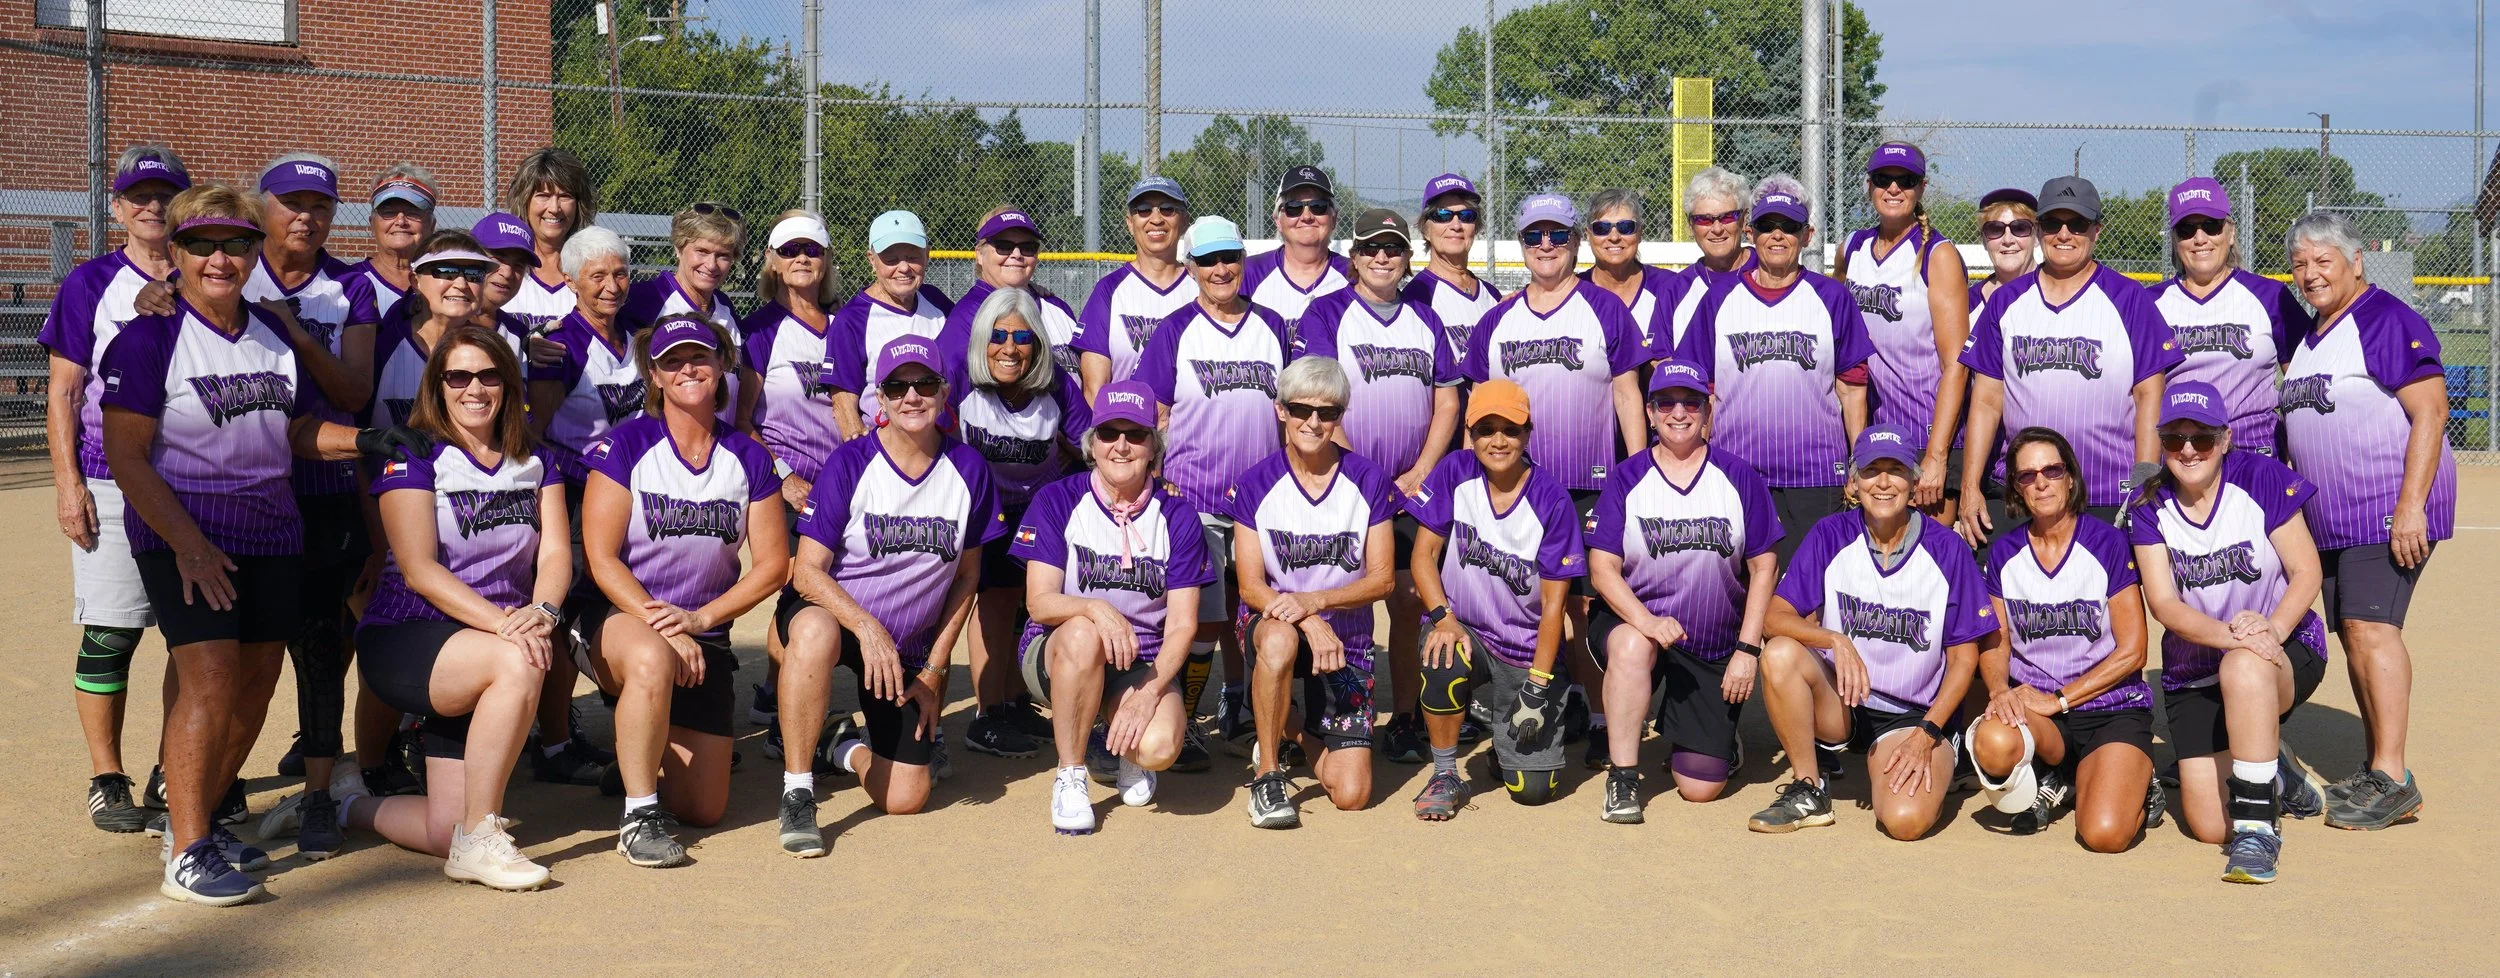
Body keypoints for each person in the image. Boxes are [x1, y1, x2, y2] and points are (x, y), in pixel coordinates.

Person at [99, 183, 406, 905]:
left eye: (235, 243)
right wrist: (189, 546)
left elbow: (294, 430)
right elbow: (128, 455)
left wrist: (364, 439)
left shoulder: (271, 333)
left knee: (257, 684)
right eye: (201, 243)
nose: (220, 257)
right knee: (208, 680)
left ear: (251, 251)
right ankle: (187, 849)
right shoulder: (149, 335)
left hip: (272, 530)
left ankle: (197, 822)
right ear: (175, 252)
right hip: (186, 532)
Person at [346, 326, 564, 890]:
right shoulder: (417, 453)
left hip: (488, 643)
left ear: (508, 384)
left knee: (443, 827)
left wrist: (543, 610)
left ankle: (346, 803)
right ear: (438, 385)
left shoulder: (536, 458)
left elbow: (558, 551)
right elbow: (419, 570)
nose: (475, 388)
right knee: (520, 661)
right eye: (459, 376)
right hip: (409, 635)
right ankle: (484, 837)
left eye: (489, 375)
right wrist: (506, 627)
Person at [575, 316, 789, 867]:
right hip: (618, 615)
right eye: (673, 361)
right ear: (655, 376)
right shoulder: (625, 446)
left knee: (705, 808)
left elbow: (772, 566)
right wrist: (665, 625)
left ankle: (638, 753)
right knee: (650, 658)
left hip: (701, 630)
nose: (688, 368)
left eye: (699, 357)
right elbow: (600, 559)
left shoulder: (748, 456)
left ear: (721, 367)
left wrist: (698, 621)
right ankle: (639, 814)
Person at [779, 337, 1001, 854]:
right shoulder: (851, 462)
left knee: (905, 797)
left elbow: (968, 578)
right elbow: (807, 573)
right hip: (838, 617)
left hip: (904, 648)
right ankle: (797, 791)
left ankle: (844, 747)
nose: (912, 396)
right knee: (812, 632)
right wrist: (866, 626)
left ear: (944, 393)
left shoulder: (968, 469)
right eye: (897, 386)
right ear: (880, 399)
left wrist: (934, 669)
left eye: (925, 384)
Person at [2277, 210, 2457, 831]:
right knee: (2355, 633)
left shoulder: (2383, 318)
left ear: (2357, 262)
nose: (2310, 274)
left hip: (2384, 508)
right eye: (2301, 263)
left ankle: (2395, 776)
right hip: (2336, 517)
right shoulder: (2315, 333)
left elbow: (2430, 412)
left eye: (2324, 261)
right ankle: (2380, 767)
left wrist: (2411, 507)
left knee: (2371, 629)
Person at [1746, 424, 1993, 840]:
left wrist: (1926, 734)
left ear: (1914, 483)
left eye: (1895, 470)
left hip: (1913, 715)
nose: (1882, 482)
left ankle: (1942, 761)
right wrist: (1834, 639)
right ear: (1852, 483)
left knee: (1904, 821)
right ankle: (1809, 788)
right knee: (1780, 653)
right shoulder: (1830, 534)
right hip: (1843, 702)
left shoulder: (1947, 549)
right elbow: (1773, 617)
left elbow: (1965, 659)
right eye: (1870, 470)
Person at [2126, 381, 2330, 883]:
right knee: (2209, 825)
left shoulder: (2261, 477)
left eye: (2202, 437)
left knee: (2244, 667)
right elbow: (2165, 605)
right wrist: (2232, 634)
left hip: (2282, 652)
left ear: (2226, 438)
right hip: (2196, 668)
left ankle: (2259, 833)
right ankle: (2272, 765)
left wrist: (2271, 630)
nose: (2188, 449)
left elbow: (2307, 572)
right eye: (2174, 439)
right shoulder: (2148, 505)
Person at [41, 144, 185, 833]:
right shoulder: (90, 283)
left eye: (165, 195)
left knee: (195, 638)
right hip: (110, 477)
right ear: (117, 207)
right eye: (140, 195)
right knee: (113, 633)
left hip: (194, 480)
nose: (153, 206)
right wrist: (69, 486)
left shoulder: (214, 276)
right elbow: (65, 392)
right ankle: (107, 776)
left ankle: (173, 766)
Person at [245, 153, 388, 822]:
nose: (306, 216)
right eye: (291, 202)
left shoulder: (348, 287)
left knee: (324, 645)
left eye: (321, 205)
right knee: (237, 646)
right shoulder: (230, 270)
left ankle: (317, 792)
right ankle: (205, 782)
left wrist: (296, 333)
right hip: (245, 490)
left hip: (325, 485)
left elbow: (355, 392)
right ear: (262, 207)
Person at [1295, 209, 1462, 766]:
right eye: (1371, 249)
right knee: (1342, 593)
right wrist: (1358, 470)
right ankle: (1321, 717)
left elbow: (1447, 400)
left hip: (1415, 485)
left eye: (1393, 248)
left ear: (1407, 257)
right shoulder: (1327, 313)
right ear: (1354, 259)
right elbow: (1318, 398)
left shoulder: (1424, 317)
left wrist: (1421, 469)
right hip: (1346, 479)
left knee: (1411, 598)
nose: (1383, 258)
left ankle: (1409, 717)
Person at [1014, 381, 1218, 833]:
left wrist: (1147, 696)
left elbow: (1183, 625)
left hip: (1139, 661)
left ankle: (1125, 746)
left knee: (1162, 746)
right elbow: (1039, 602)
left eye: (1135, 434)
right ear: (1092, 443)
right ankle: (1070, 774)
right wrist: (1094, 608)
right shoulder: (1059, 500)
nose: (1121, 445)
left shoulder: (1178, 515)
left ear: (1153, 445)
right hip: (1059, 652)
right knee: (1084, 631)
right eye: (1109, 433)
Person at [1584, 359, 1782, 822]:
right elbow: (1602, 569)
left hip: (1711, 641)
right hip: (1638, 622)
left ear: (1707, 410)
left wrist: (1747, 649)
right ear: (1649, 413)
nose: (1678, 412)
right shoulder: (1627, 478)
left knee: (1699, 787)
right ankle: (1623, 776)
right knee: (1633, 646)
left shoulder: (1738, 476)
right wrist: (1647, 621)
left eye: (1690, 402)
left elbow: (1764, 563)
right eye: (1665, 402)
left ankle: (1710, 734)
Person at [1133, 215, 1293, 756]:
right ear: (1190, 268)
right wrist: (1156, 484)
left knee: (1261, 611)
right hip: (1193, 496)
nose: (1221, 269)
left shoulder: (1272, 325)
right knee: (1201, 620)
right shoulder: (1175, 329)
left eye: (1230, 258)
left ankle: (1249, 703)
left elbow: (1293, 412)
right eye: (1208, 261)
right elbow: (1155, 414)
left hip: (1261, 501)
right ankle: (1192, 722)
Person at [1958, 176, 2181, 547]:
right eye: (2052, 223)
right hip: (2024, 489)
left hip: (2107, 491)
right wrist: (1970, 487)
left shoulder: (2128, 298)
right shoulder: (2006, 301)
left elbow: (2149, 395)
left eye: (2076, 223)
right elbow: (1986, 400)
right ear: (2039, 229)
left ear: (2096, 230)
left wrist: (2144, 481)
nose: (2064, 233)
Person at [1966, 427, 2159, 850]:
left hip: (2110, 708)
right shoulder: (2004, 552)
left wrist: (2062, 699)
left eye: (2052, 470)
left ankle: (2132, 781)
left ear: (2070, 477)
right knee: (1993, 742)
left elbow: (2134, 651)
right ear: (2016, 488)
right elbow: (1996, 640)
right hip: (2044, 714)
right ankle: (2066, 773)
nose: (2041, 482)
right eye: (2027, 475)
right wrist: (1999, 690)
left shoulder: (2107, 541)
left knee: (2104, 834)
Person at [1228, 357, 1399, 828]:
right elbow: (1249, 586)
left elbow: (1383, 579)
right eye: (1301, 409)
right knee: (1280, 641)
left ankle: (1292, 726)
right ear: (1281, 410)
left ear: (1341, 416)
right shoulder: (1256, 482)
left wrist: (1317, 601)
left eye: (1328, 412)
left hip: (1346, 640)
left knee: (1352, 794)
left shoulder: (1367, 479)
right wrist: (1304, 616)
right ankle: (1267, 774)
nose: (1314, 422)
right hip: (1275, 624)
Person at [1405, 379, 1584, 819]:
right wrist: (1442, 617)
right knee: (1442, 654)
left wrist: (1538, 686)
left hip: (1525, 647)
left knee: (1532, 790)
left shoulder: (1552, 500)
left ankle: (1511, 750)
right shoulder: (1455, 471)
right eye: (1486, 429)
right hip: (1466, 628)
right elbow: (1423, 556)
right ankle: (1445, 772)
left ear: (1528, 433)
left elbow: (1554, 609)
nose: (1498, 440)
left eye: (1511, 428)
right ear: (1470, 434)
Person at [1674, 176, 1873, 566]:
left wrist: (1859, 461)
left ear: (1808, 234)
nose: (1777, 236)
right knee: (1736, 585)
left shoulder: (1831, 297)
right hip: (1736, 468)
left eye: (1790, 227)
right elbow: (1701, 391)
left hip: (1815, 471)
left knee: (1806, 586)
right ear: (1751, 232)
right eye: (1767, 226)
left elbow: (1852, 387)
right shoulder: (1720, 297)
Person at [521, 225, 640, 787]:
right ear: (569, 281)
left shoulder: (635, 338)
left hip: (629, 497)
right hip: (574, 498)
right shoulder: (558, 345)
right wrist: (596, 470)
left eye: (619, 273)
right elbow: (536, 436)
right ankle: (554, 743)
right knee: (566, 617)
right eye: (597, 276)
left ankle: (651, 732)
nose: (611, 285)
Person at [954, 287, 1090, 760]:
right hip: (982, 514)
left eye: (1021, 336)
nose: (1009, 348)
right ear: (980, 339)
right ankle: (986, 714)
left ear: (1037, 342)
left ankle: (1012, 701)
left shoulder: (1056, 387)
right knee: (993, 604)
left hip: (1035, 514)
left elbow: (1088, 442)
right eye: (998, 335)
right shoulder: (962, 382)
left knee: (1024, 607)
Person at [1835, 143, 1973, 520]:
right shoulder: (1852, 248)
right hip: (1873, 433)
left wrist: (1937, 454)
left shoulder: (1936, 254)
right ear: (1869, 186)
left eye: (1905, 180)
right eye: (1883, 179)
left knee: (1929, 558)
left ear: (1921, 188)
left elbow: (1956, 365)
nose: (1893, 189)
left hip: (1926, 431)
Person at [2151, 178, 2309, 457]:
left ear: (2230, 232)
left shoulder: (2270, 296)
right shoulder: (2151, 303)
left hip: (2255, 454)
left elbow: (2303, 386)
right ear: (2175, 240)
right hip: (2183, 458)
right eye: (2187, 230)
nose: (2200, 238)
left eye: (2211, 226)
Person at [824, 209, 956, 440]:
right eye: (891, 259)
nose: (903, 268)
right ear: (871, 260)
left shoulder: (937, 302)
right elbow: (843, 404)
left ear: (927, 255)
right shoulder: (852, 320)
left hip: (941, 446)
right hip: (887, 453)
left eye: (912, 256)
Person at [621, 202, 756, 428]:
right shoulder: (644, 300)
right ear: (678, 247)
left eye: (723, 255)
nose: (711, 265)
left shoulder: (725, 307)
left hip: (719, 446)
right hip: (661, 447)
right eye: (701, 251)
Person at [371, 234, 523, 427]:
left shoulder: (496, 351)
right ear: (415, 281)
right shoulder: (384, 345)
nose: (461, 284)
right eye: (446, 271)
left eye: (473, 274)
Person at [1074, 177, 1198, 392]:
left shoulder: (1200, 288)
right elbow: (1095, 391)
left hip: (1189, 424)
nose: (1156, 219)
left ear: (1185, 221)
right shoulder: (1109, 290)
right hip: (1127, 424)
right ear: (1130, 223)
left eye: (1168, 209)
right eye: (1143, 210)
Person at [949, 206, 1084, 377]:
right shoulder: (968, 315)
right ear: (980, 254)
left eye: (1028, 247)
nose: (1017, 254)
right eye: (1004, 246)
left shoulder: (1057, 308)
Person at [1404, 173, 1503, 373]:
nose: (1456, 226)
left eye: (1466, 216)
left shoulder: (1492, 296)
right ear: (1425, 229)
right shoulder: (1416, 297)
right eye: (1443, 216)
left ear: (1476, 228)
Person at [1240, 164, 1350, 336]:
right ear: (1277, 219)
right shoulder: (1249, 273)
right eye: (1293, 207)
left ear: (1334, 218)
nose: (1306, 216)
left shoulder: (1354, 275)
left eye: (1318, 206)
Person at [499, 148, 599, 329]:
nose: (554, 208)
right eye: (543, 196)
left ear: (579, 204)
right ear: (524, 200)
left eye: (565, 196)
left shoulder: (594, 268)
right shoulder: (499, 269)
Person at [1579, 187, 1688, 351]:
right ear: (1588, 235)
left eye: (1625, 227)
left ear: (1640, 232)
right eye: (1601, 228)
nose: (1614, 237)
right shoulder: (1574, 291)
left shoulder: (1671, 287)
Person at [1665, 167, 1757, 349]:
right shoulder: (1675, 290)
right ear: (1690, 226)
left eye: (1727, 217)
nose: (1716, 229)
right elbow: (1660, 359)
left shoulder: (1770, 275)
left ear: (1744, 219)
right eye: (1704, 220)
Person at [343, 164, 440, 323]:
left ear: (432, 225)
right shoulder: (348, 283)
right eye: (389, 212)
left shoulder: (448, 281)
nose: (401, 221)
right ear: (372, 224)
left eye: (413, 212)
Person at [1969, 188, 2039, 308]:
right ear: (1984, 240)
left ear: (2037, 236)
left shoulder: (2059, 294)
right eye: (1995, 229)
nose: (2008, 240)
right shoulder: (1967, 304)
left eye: (2020, 228)